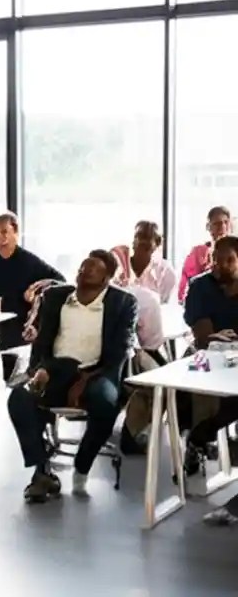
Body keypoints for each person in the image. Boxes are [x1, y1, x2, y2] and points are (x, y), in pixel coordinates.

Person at [7, 250, 136, 503]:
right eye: (82, 266)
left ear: (106, 278)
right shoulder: (56, 297)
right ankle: (42, 469)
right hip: (55, 370)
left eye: (92, 268)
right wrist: (39, 369)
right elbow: (42, 344)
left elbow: (120, 351)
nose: (83, 271)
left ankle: (83, 462)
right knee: (19, 399)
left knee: (105, 401)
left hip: (97, 371)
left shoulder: (123, 303)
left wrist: (92, 377)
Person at [180, 236, 238, 526]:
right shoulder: (201, 286)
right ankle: (200, 439)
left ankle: (200, 437)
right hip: (207, 361)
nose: (219, 265)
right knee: (208, 392)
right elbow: (204, 338)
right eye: (215, 258)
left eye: (228, 260)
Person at [0, 212, 65, 381]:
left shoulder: (28, 260)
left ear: (15, 232)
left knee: (26, 371)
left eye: (4, 232)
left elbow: (60, 281)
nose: (0, 237)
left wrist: (36, 290)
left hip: (24, 319)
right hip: (2, 321)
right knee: (9, 374)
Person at [111, 220, 177, 304]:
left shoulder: (165, 272)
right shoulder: (118, 264)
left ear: (157, 244)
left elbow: (164, 306)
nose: (143, 241)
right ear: (133, 242)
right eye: (140, 236)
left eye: (149, 237)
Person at [180, 206, 231, 303]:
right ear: (209, 227)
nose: (223, 227)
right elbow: (185, 287)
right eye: (217, 224)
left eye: (226, 222)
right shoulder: (198, 253)